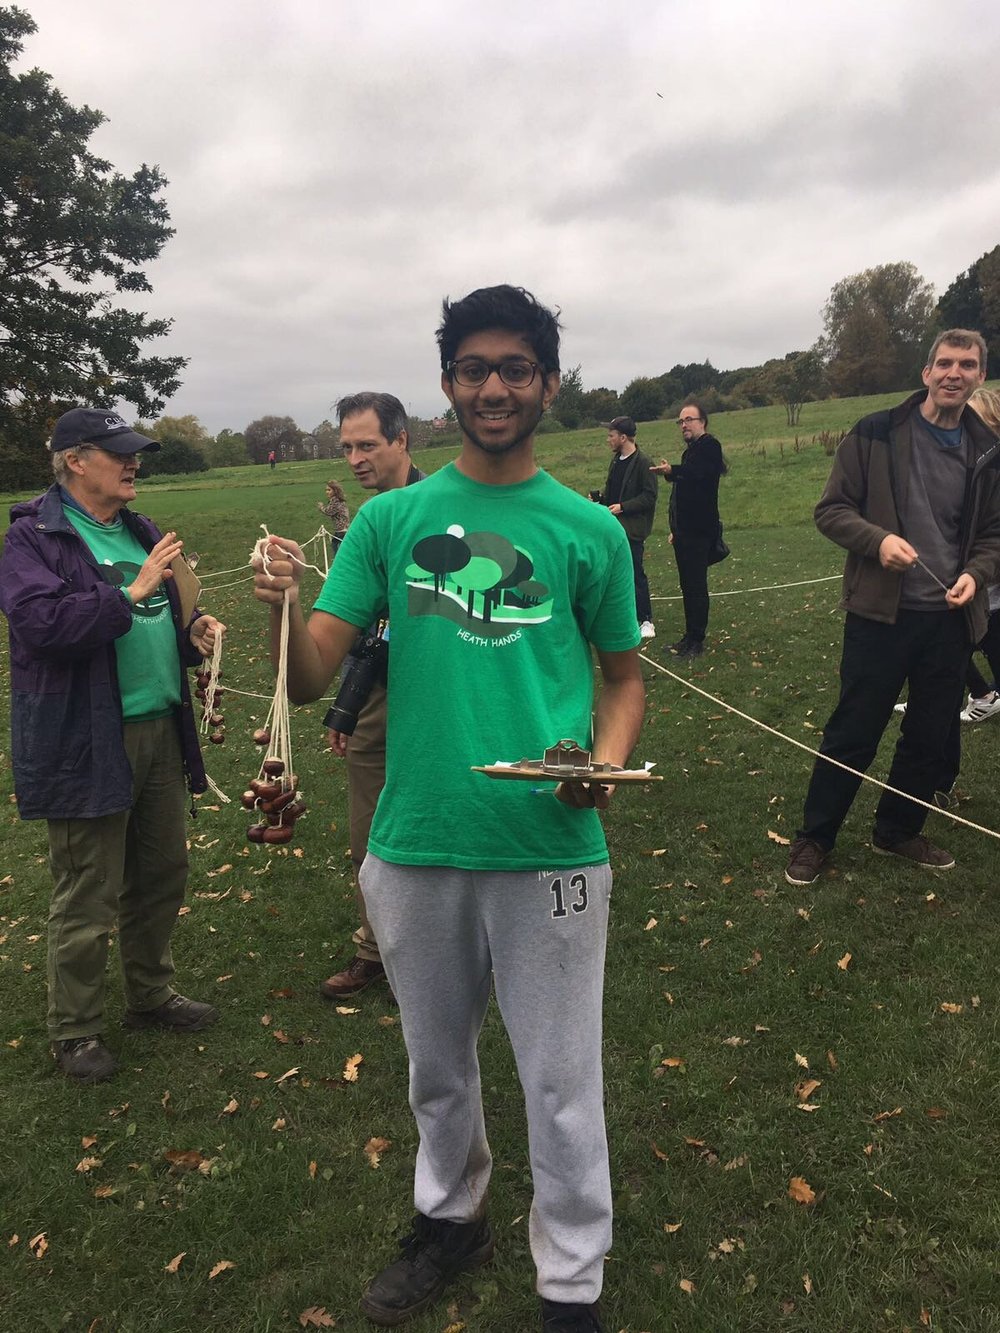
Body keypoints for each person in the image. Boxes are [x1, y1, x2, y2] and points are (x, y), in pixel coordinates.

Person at [254, 285, 644, 1333]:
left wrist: (602, 765)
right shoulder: (390, 520)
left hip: (548, 843)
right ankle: (450, 1216)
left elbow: (621, 679)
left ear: (547, 384)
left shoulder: (586, 529)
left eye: (516, 367)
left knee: (560, 1079)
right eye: (473, 368)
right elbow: (306, 677)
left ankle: (570, 1277)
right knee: (435, 1068)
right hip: (415, 840)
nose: (494, 386)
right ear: (445, 386)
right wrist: (285, 609)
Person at [0, 408, 224, 1083]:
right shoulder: (33, 538)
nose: (134, 464)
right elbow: (42, 624)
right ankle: (75, 1028)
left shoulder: (138, 528)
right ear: (75, 460)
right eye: (119, 454)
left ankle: (150, 993)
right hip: (85, 735)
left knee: (160, 872)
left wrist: (196, 633)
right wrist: (130, 591)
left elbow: (162, 615)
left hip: (159, 723)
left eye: (136, 454)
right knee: (89, 886)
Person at [784, 330, 1000, 887]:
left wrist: (976, 575)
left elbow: (994, 536)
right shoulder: (876, 432)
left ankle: (896, 830)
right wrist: (876, 541)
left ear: (980, 376)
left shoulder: (989, 451)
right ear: (926, 373)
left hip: (950, 621)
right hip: (881, 614)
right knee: (854, 729)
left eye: (968, 365)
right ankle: (816, 837)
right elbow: (831, 510)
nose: (955, 373)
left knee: (929, 735)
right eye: (945, 363)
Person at [319, 392, 426, 1001]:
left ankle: (438, 950)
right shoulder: (364, 521)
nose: (356, 459)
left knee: (434, 821)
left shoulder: (436, 510)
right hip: (375, 693)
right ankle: (375, 948)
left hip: (436, 692)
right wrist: (348, 704)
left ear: (402, 440)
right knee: (369, 834)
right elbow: (363, 625)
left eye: (368, 445)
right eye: (347, 448)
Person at [650, 402, 727, 657]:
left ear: (702, 421)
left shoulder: (709, 446)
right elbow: (685, 491)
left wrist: (673, 471)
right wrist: (676, 528)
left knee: (696, 586)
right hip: (684, 531)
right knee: (687, 585)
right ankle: (688, 636)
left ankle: (697, 640)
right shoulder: (690, 451)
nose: (684, 425)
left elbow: (698, 475)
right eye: (680, 421)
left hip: (700, 531)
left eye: (688, 420)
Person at [595, 416, 658, 639]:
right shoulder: (616, 461)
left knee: (635, 574)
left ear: (623, 437)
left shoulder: (643, 462)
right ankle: (623, 615)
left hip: (632, 530)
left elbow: (649, 497)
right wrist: (600, 501)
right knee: (613, 573)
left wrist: (623, 507)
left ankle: (646, 620)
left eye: (611, 435)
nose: (608, 439)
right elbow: (614, 494)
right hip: (613, 528)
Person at [317, 478, 351, 550]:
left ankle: (338, 560)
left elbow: (329, 512)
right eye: (326, 490)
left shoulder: (336, 501)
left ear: (335, 491)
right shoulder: (337, 500)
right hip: (342, 529)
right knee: (336, 545)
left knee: (337, 547)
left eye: (329, 490)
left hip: (342, 530)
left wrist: (321, 507)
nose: (327, 492)